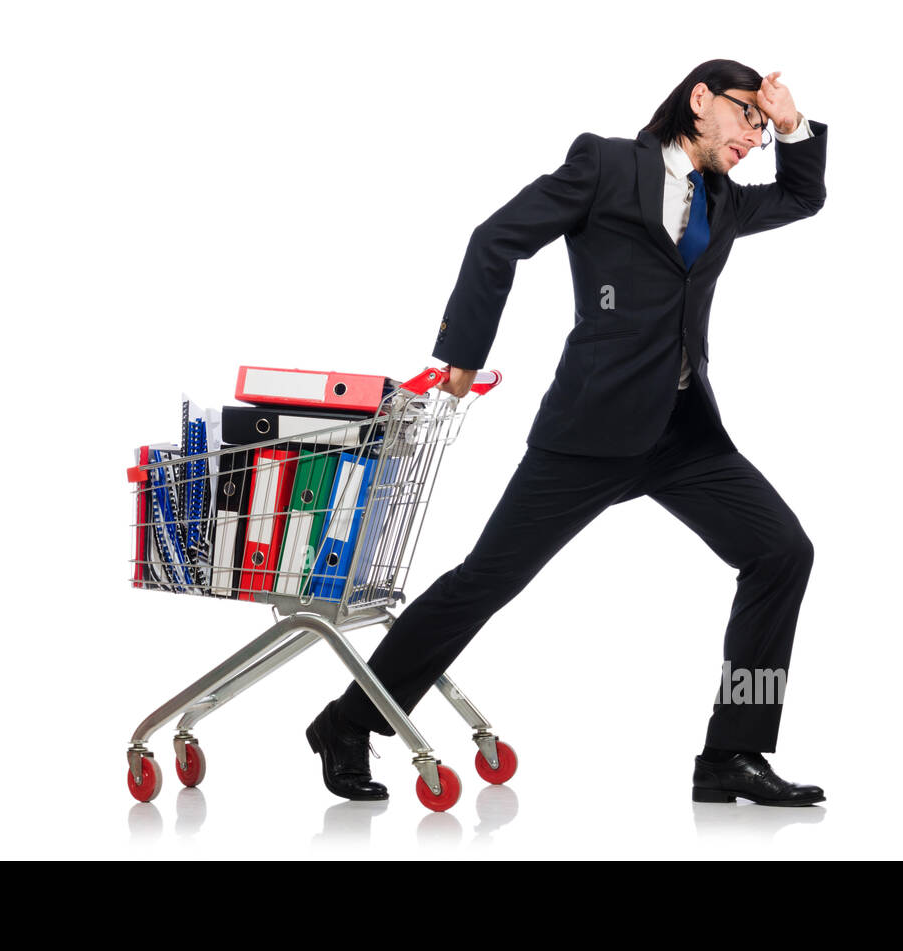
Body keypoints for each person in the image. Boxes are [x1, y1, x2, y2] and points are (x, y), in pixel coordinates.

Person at [306, 59, 828, 806]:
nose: (754, 136)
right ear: (700, 98)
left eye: (762, 128)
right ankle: (350, 718)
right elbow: (497, 238)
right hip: (591, 429)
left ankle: (733, 751)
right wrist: (463, 351)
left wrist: (789, 121)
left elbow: (806, 194)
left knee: (782, 552)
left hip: (685, 435)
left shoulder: (726, 200)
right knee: (486, 582)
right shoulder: (608, 165)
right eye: (746, 116)